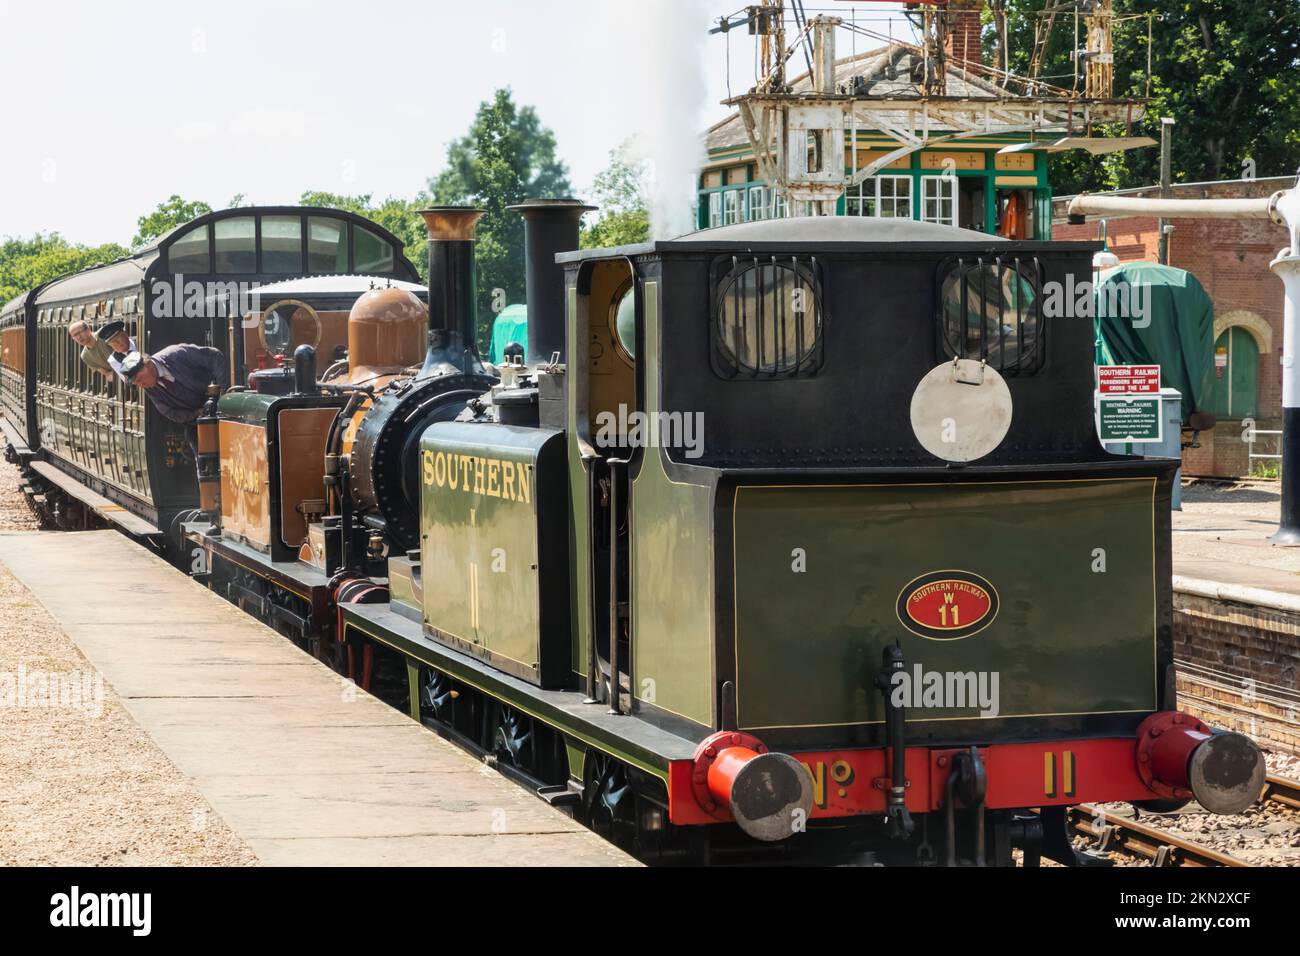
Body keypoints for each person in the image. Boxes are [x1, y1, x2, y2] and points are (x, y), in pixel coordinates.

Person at [121, 344, 227, 423]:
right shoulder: (150, 388)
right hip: (200, 421)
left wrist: (224, 394)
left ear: (147, 364)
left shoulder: (176, 354)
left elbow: (215, 357)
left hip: (225, 405)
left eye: (140, 379)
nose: (141, 385)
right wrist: (198, 412)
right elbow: (170, 413)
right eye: (136, 383)